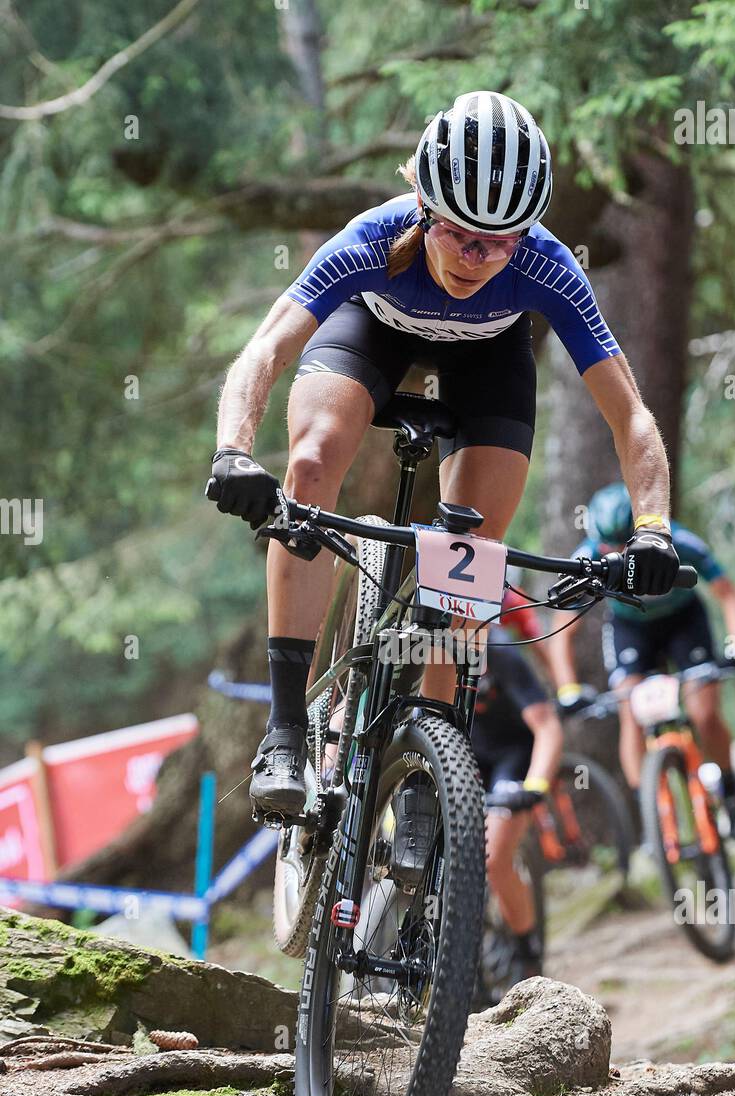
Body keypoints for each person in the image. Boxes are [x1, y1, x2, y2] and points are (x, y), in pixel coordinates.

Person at [206, 91, 681, 840]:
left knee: (473, 544)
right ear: (425, 208)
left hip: (491, 358)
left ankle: (433, 757)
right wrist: (233, 451)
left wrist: (653, 528)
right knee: (309, 465)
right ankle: (288, 729)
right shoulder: (373, 240)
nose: (478, 257)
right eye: (461, 234)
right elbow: (265, 350)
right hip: (374, 327)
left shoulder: (549, 269)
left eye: (501, 243)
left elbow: (631, 417)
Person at [547, 482, 735, 838]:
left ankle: (730, 790)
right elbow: (561, 630)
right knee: (631, 713)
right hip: (632, 629)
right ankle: (650, 812)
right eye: (605, 544)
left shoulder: (681, 544)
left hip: (684, 623)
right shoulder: (588, 556)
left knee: (704, 713)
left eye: (621, 543)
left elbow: (728, 594)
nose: (612, 551)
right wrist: (567, 688)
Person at [471, 621, 563, 982]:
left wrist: (536, 785)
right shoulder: (422, 647)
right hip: (463, 753)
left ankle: (528, 950)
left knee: (494, 857)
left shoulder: (501, 649)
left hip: (513, 756)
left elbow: (547, 726)